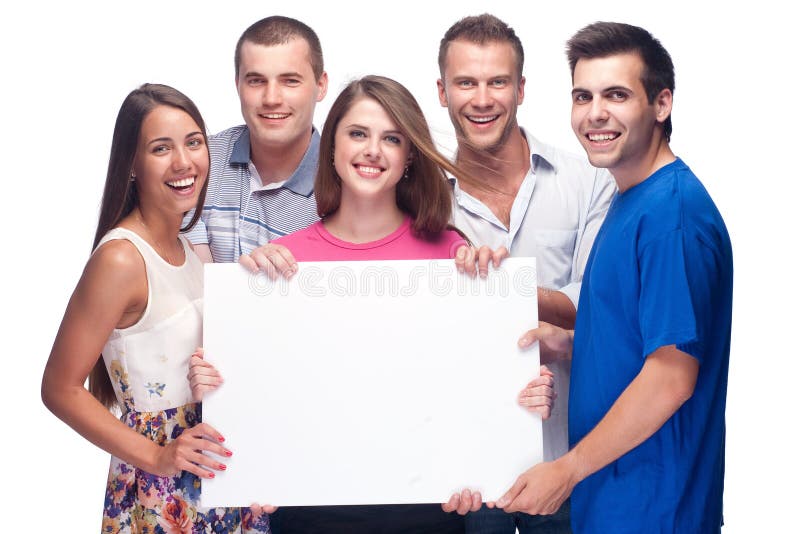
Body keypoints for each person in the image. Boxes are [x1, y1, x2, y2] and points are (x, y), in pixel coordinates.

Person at [191, 75, 556, 534]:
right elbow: (255, 389)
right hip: (310, 515)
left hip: (425, 516)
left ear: (408, 157)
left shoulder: (453, 257)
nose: (372, 150)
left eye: (391, 139)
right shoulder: (282, 262)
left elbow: (477, 388)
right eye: (358, 133)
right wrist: (213, 383)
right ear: (332, 147)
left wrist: (523, 395)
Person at [490, 22, 733, 533]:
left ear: (661, 104)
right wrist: (575, 344)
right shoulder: (629, 200)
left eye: (616, 95)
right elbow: (648, 335)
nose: (594, 113)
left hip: (655, 511)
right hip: (613, 505)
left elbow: (670, 377)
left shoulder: (672, 218)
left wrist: (566, 469)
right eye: (583, 95)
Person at [40, 84, 270, 533]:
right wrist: (158, 457)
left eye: (194, 142)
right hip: (161, 489)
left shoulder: (188, 249)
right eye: (161, 148)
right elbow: (59, 388)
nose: (183, 162)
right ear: (131, 164)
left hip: (214, 477)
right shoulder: (122, 258)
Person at [436, 14, 616, 533]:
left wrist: (504, 290)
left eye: (497, 82)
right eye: (466, 82)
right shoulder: (424, 198)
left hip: (570, 455)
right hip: (466, 473)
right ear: (443, 91)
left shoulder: (589, 180)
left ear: (520, 89)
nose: (482, 98)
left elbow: (597, 300)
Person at [184, 16, 328, 263]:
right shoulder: (199, 159)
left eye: (290, 81)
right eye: (256, 81)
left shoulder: (344, 183)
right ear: (238, 85)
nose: (271, 98)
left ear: (321, 86)